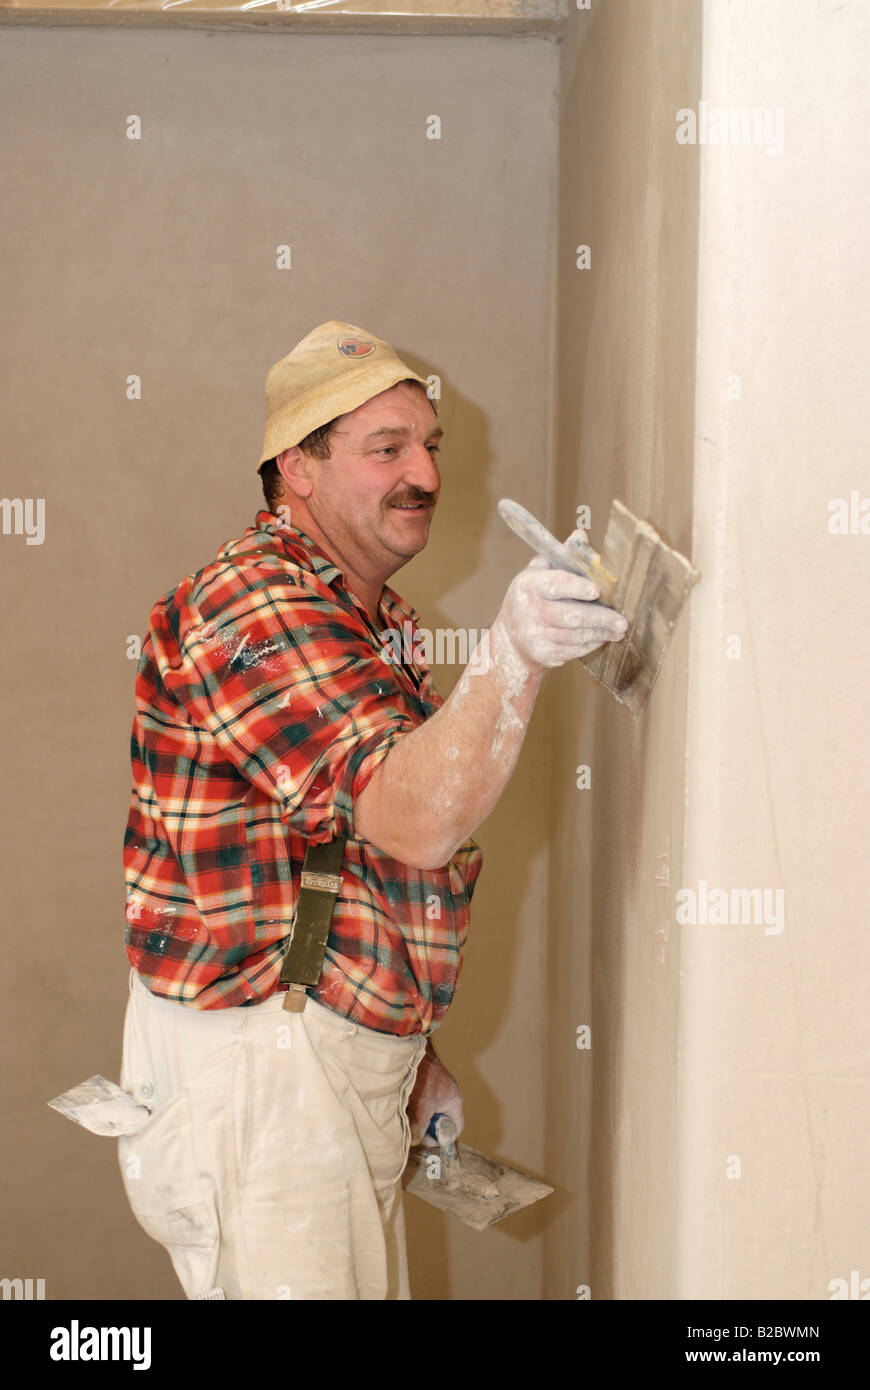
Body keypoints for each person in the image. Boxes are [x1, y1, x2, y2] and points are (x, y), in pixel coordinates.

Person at [118, 319, 627, 1300]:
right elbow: (413, 820)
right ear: (297, 470)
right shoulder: (252, 610)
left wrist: (407, 1048)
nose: (424, 474)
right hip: (267, 1079)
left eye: (429, 445)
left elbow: (346, 860)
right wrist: (512, 653)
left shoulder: (368, 621)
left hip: (312, 1057)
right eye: (385, 449)